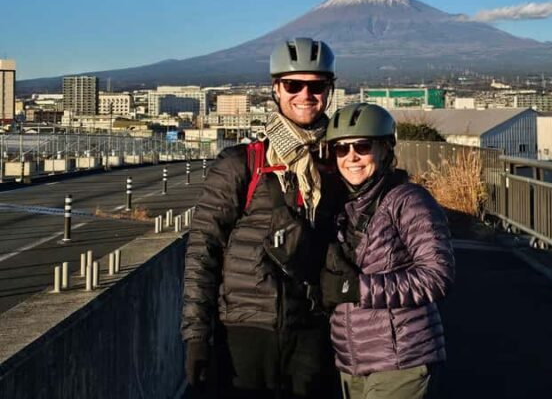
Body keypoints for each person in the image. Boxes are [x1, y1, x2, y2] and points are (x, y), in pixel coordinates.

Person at [182, 37, 343, 398]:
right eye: (293, 85)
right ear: (276, 89)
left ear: (330, 91)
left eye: (316, 86)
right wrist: (196, 335)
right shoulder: (242, 164)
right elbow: (202, 251)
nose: (305, 94)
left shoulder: (340, 162)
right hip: (244, 331)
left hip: (314, 331)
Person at [321, 103, 455, 399]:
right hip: (352, 362)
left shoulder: (408, 201)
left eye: (362, 146)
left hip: (400, 359)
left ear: (384, 149)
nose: (351, 157)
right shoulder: (343, 207)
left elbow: (436, 275)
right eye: (341, 149)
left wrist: (357, 288)